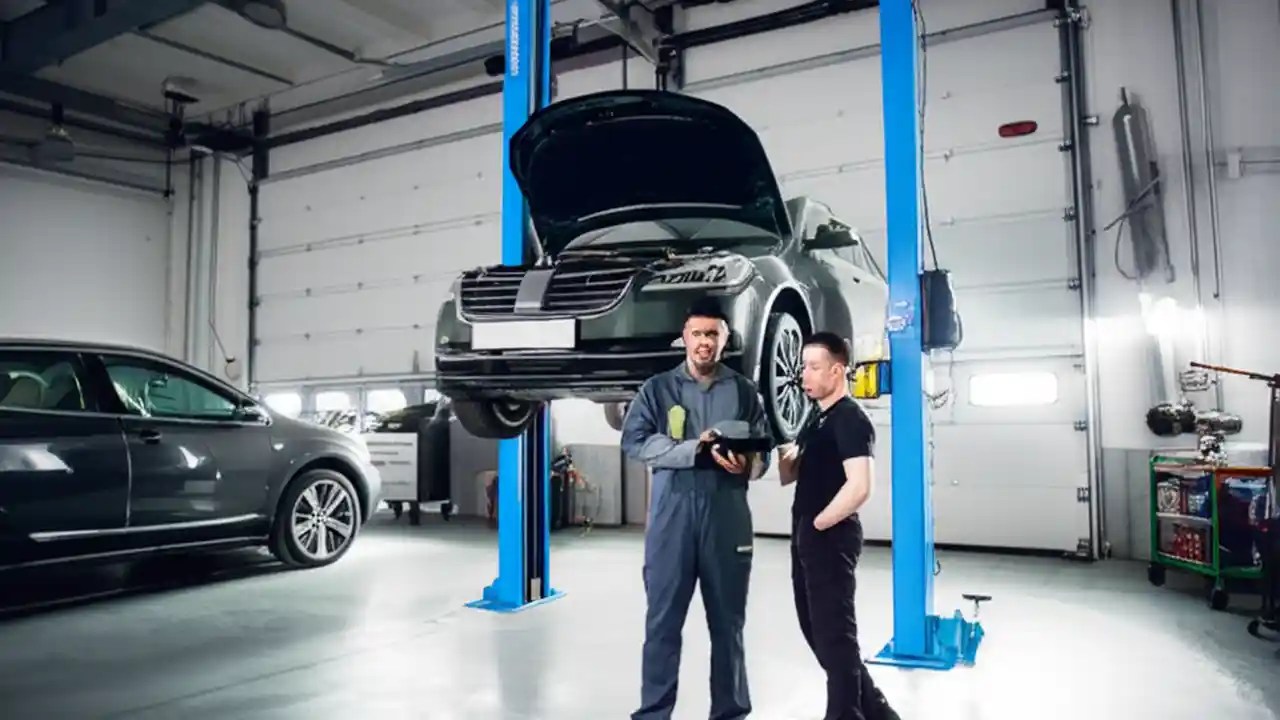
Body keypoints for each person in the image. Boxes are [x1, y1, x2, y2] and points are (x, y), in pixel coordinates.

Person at [621, 297, 773, 720]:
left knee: (729, 626)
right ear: (684, 338)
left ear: (725, 339)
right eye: (697, 334)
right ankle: (653, 713)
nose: (704, 342)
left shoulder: (745, 392)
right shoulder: (657, 389)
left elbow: (764, 452)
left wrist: (750, 463)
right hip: (673, 517)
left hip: (726, 516)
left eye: (713, 334)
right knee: (662, 625)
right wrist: (693, 449)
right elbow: (634, 441)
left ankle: (731, 712)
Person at [777, 332, 899, 720]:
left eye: (814, 367)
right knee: (818, 634)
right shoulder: (817, 417)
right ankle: (879, 713)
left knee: (836, 638)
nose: (804, 376)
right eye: (803, 367)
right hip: (808, 538)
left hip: (829, 539)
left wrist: (818, 525)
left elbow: (860, 485)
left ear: (837, 369)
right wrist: (786, 451)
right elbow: (789, 476)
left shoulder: (850, 419)